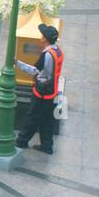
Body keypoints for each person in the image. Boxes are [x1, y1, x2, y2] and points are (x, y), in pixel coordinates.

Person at [16, 24, 64, 155]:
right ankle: (47, 145)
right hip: (52, 90)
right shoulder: (58, 51)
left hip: (42, 92)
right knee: (47, 119)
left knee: (33, 116)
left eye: (42, 36)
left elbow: (33, 70)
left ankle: (22, 141)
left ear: (46, 39)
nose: (40, 38)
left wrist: (17, 63)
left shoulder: (46, 55)